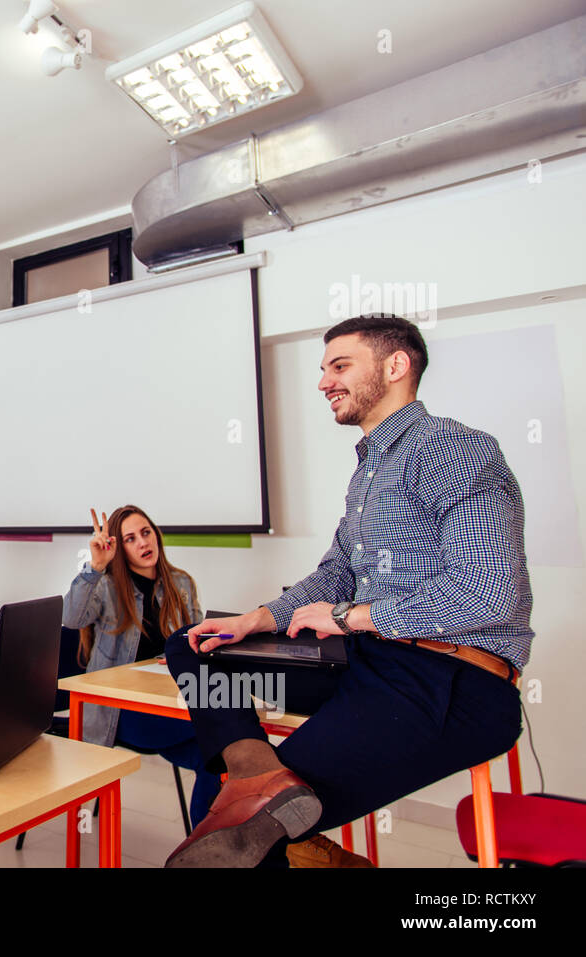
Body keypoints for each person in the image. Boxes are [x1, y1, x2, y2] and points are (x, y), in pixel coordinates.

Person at [164, 314, 531, 868]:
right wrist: (256, 619)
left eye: (340, 366)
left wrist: (350, 617)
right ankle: (256, 776)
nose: (323, 382)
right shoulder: (369, 469)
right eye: (323, 369)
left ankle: (272, 825)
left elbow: (489, 594)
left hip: (451, 681)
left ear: (396, 366)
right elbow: (338, 570)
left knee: (243, 831)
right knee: (193, 644)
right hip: (366, 661)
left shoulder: (456, 451)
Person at [63, 505, 219, 826]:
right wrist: (95, 566)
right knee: (223, 727)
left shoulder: (181, 583)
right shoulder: (106, 585)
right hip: (118, 712)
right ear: (119, 548)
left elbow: (199, 639)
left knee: (217, 758)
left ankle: (205, 848)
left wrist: (189, 652)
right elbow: (71, 618)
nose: (143, 543)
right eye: (130, 539)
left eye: (146, 533)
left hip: (167, 701)